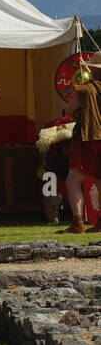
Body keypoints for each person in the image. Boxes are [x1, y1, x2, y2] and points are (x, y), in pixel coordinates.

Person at [62, 60, 101, 234]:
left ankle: (78, 223)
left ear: (93, 69)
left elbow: (69, 109)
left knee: (73, 180)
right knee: (100, 181)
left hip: (89, 138)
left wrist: (80, 113)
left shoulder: (86, 89)